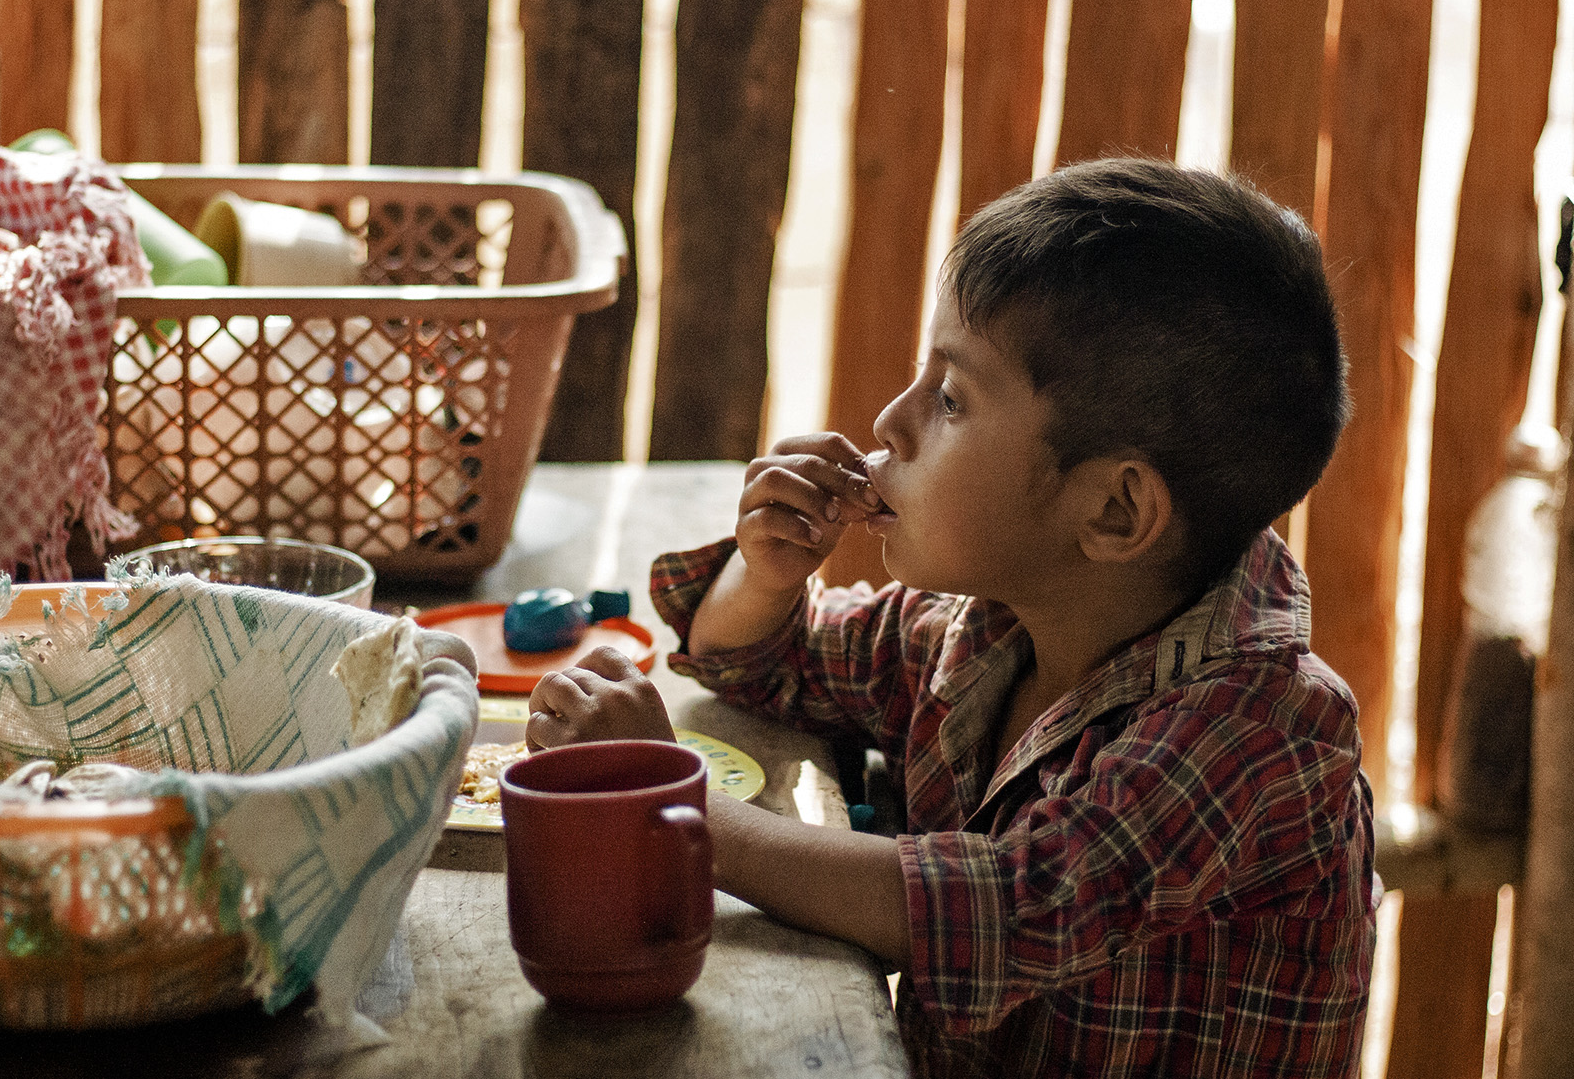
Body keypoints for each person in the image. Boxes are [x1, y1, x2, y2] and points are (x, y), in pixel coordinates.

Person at [525, 158, 1375, 1078]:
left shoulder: (1266, 730)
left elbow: (1001, 913)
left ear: (1114, 512)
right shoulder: (990, 628)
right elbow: (762, 662)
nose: (891, 422)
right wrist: (767, 575)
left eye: (952, 399)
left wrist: (666, 798)